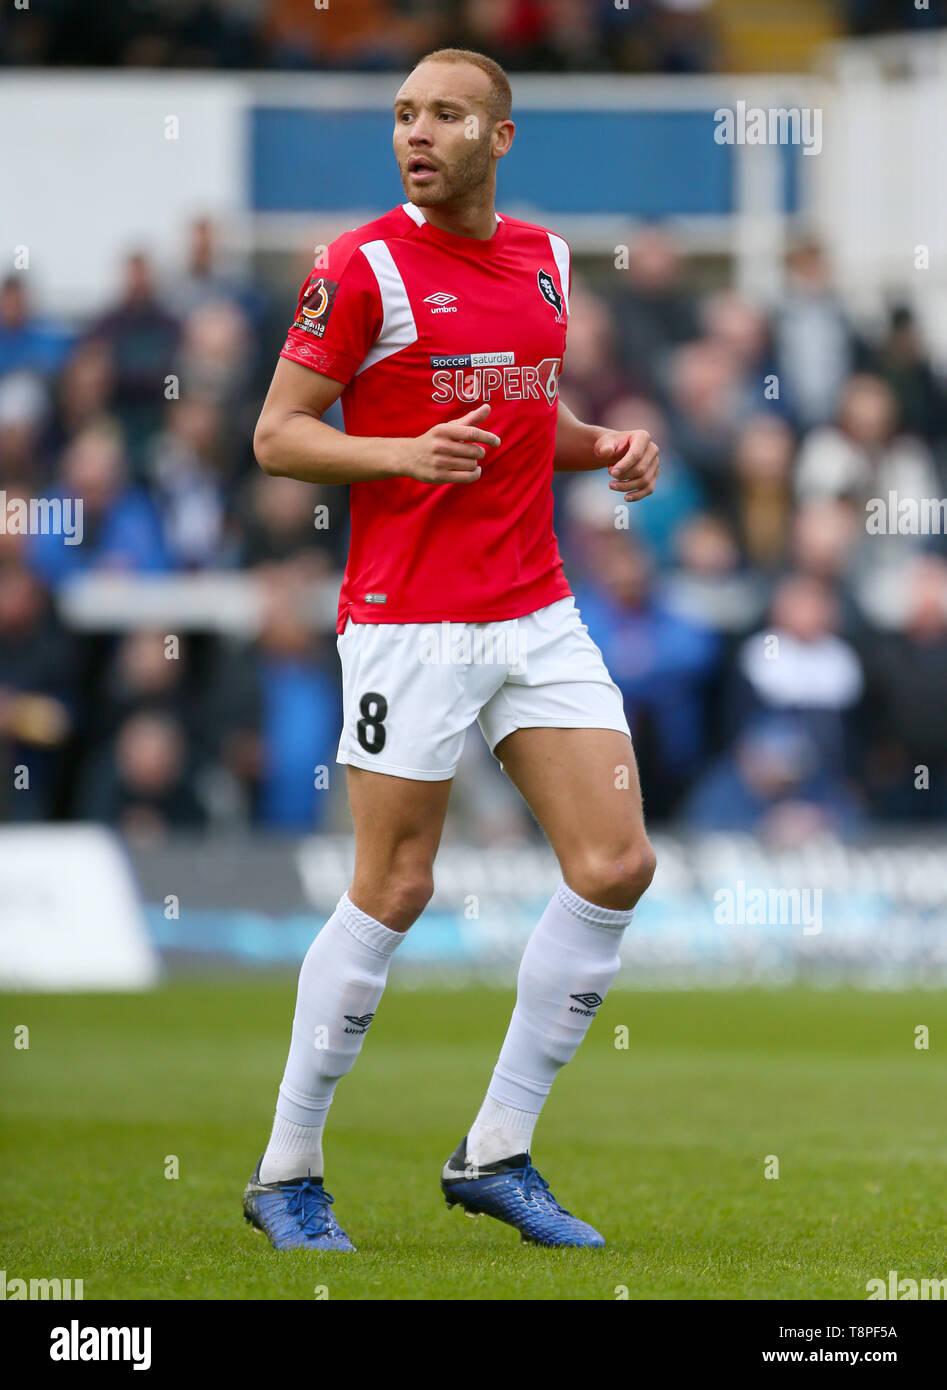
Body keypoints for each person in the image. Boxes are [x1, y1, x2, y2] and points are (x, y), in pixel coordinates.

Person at [244, 48, 660, 1253]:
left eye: (441, 115)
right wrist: (394, 455)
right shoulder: (358, 266)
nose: (414, 133)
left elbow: (530, 420)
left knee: (616, 861)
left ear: (500, 136)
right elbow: (277, 435)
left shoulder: (546, 260)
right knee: (394, 887)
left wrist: (608, 448)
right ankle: (286, 1171)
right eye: (401, 115)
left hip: (534, 607)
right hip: (408, 618)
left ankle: (494, 1149)